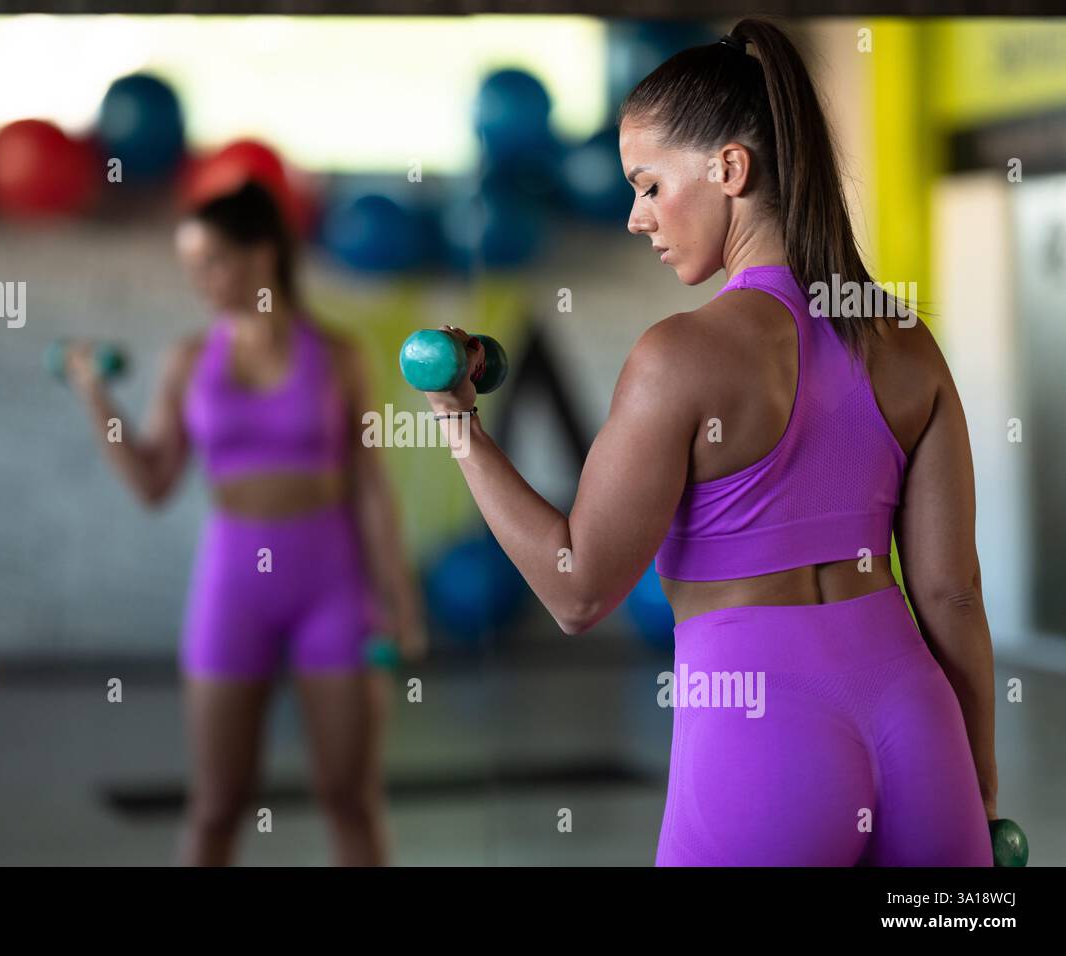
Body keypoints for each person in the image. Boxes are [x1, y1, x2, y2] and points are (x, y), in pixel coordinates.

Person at [421, 19, 995, 865]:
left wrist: (456, 420)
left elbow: (577, 592)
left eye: (649, 185)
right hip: (917, 728)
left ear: (729, 169)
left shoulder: (677, 355)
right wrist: (975, 778)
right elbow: (950, 594)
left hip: (762, 737)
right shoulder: (904, 339)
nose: (634, 216)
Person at [67, 180, 426, 866]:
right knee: (216, 805)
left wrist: (401, 600)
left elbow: (371, 487)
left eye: (212, 263)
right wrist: (94, 394)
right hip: (234, 588)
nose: (199, 282)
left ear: (263, 255)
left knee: (349, 798)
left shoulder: (341, 356)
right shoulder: (188, 361)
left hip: (334, 585)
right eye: (191, 267)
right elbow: (152, 481)